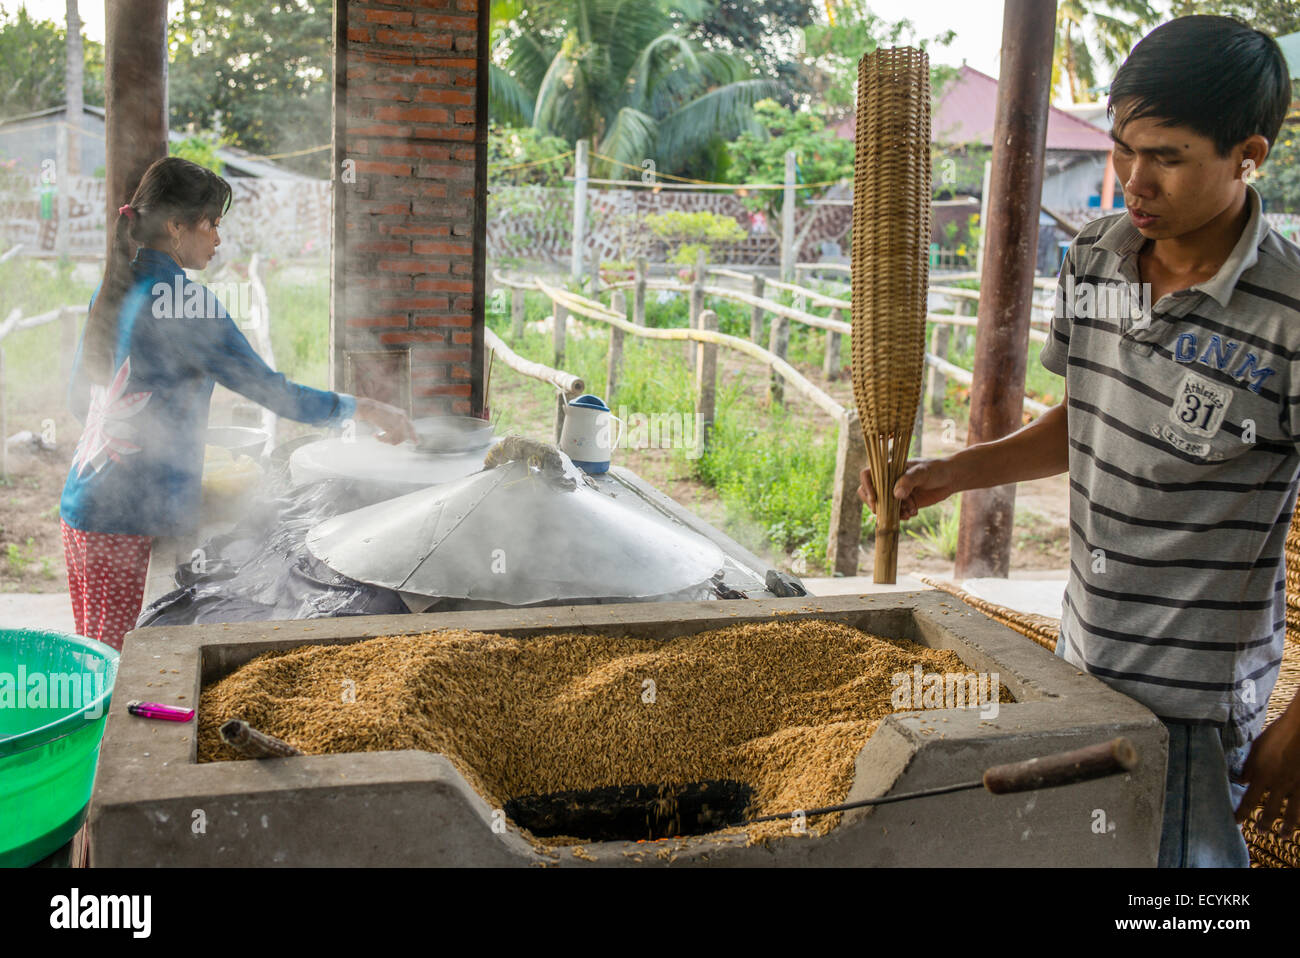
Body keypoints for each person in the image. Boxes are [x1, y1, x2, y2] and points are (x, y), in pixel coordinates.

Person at [860, 15, 1298, 867]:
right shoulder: (1097, 257)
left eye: (1166, 156)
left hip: (1195, 703)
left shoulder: (1288, 316)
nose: (1133, 178)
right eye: (1122, 145)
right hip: (1081, 658)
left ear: (1249, 154)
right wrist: (957, 472)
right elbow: (1083, 417)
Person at [60, 156, 416, 651]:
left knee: (95, 656)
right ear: (177, 226)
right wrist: (365, 408)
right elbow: (270, 390)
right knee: (117, 668)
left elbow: (82, 398)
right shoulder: (187, 304)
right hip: (120, 518)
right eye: (212, 225)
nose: (217, 239)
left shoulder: (117, 285)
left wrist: (155, 446)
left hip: (83, 504)